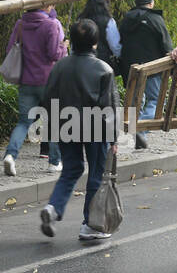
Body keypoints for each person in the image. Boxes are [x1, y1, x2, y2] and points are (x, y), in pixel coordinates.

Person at [38, 19, 120, 241]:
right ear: (95, 43)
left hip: (66, 124)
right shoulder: (104, 69)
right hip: (95, 128)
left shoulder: (59, 67)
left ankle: (53, 208)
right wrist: (113, 138)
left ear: (71, 42)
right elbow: (109, 107)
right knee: (96, 174)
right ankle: (90, 225)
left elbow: (47, 98)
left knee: (71, 170)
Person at [2, 0, 66, 175]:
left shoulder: (20, 24)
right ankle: (54, 162)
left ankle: (10, 156)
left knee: (24, 122)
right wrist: (64, 46)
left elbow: (10, 50)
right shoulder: (52, 25)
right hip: (49, 81)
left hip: (27, 81)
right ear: (45, 6)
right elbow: (54, 54)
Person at [117, 0, 177, 148]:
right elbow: (166, 46)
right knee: (155, 101)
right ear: (152, 2)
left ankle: (135, 134)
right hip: (153, 70)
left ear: (135, 1)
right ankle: (141, 130)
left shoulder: (126, 19)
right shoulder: (156, 19)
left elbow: (119, 44)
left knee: (135, 102)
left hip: (130, 69)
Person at [78, 0, 121, 68]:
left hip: (82, 63)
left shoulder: (80, 20)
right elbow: (115, 46)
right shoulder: (109, 21)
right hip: (103, 63)